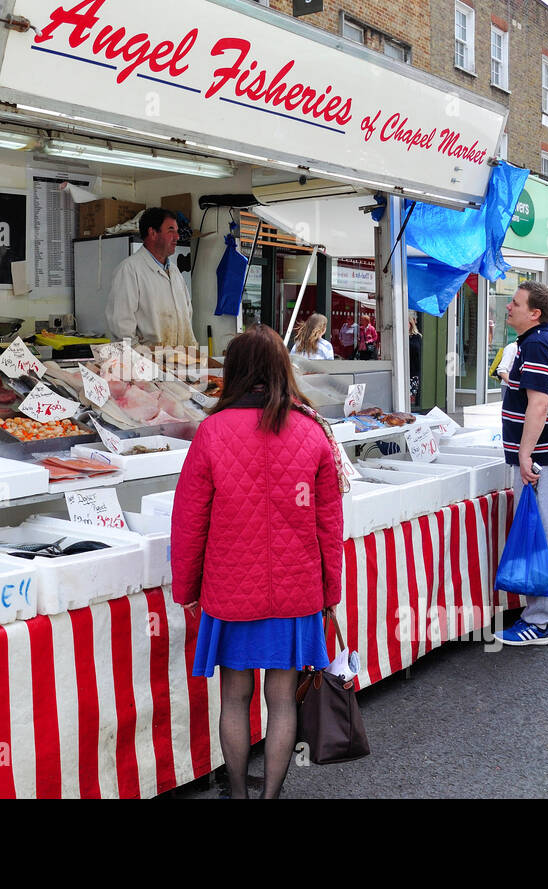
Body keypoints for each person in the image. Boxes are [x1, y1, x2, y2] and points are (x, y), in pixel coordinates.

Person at [171, 324, 344, 799]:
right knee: (282, 699)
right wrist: (331, 594)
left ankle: (240, 796)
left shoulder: (210, 432)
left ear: (234, 372)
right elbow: (330, 525)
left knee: (234, 696)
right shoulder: (312, 432)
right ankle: (271, 795)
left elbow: (189, 522)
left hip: (231, 592)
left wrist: (185, 589)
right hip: (297, 591)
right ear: (281, 370)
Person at [496, 282, 548, 646]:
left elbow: (539, 405)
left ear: (535, 313)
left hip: (542, 456)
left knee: (540, 533)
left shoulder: (537, 345)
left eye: (515, 302)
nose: (509, 307)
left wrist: (525, 453)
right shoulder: (542, 342)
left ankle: (538, 619)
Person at [105, 207, 197, 350]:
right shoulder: (129, 270)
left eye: (177, 231)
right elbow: (121, 328)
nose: (177, 237)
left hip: (179, 360)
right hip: (148, 363)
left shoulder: (174, 271)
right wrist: (144, 357)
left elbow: (187, 315)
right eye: (171, 230)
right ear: (153, 233)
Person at [407, 311, 423, 407]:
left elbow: (415, 349)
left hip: (413, 371)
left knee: (411, 395)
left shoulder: (416, 336)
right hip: (404, 369)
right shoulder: (399, 336)